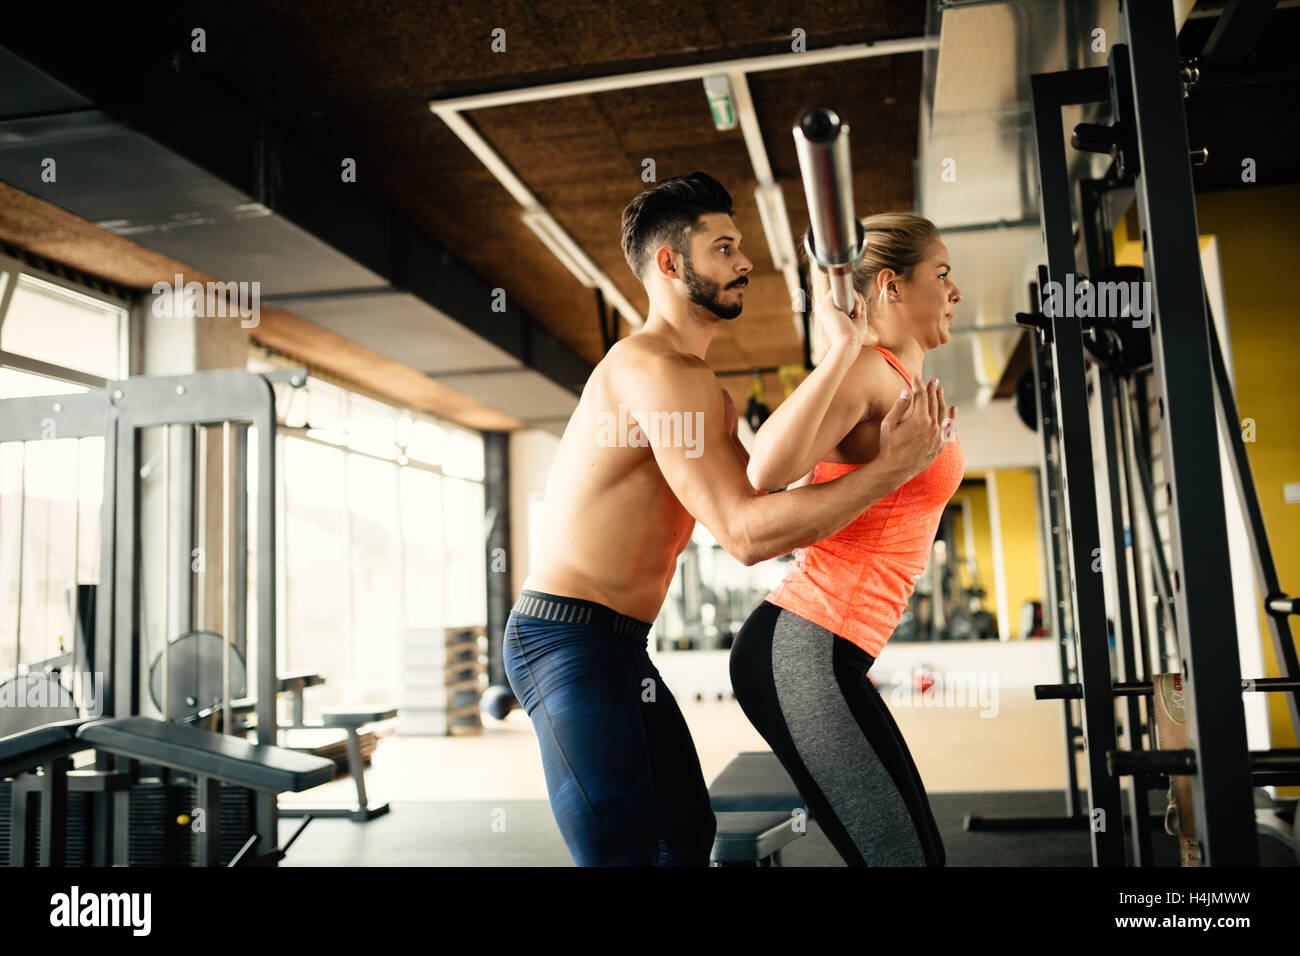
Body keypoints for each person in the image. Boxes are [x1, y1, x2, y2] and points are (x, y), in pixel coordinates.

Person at [504, 175, 949, 866]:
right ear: (669, 264)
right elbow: (745, 535)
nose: (745, 263)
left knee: (685, 837)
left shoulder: (701, 388)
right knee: (624, 850)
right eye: (723, 248)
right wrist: (890, 469)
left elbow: (769, 503)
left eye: (740, 247)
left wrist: (840, 354)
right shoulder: (650, 369)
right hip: (562, 637)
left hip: (622, 645)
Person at [731, 212, 964, 867]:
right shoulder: (868, 372)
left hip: (828, 650)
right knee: (903, 860)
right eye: (942, 275)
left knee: (911, 857)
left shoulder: (904, 384)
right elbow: (765, 472)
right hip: (803, 648)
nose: (956, 292)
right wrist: (839, 351)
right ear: (891, 285)